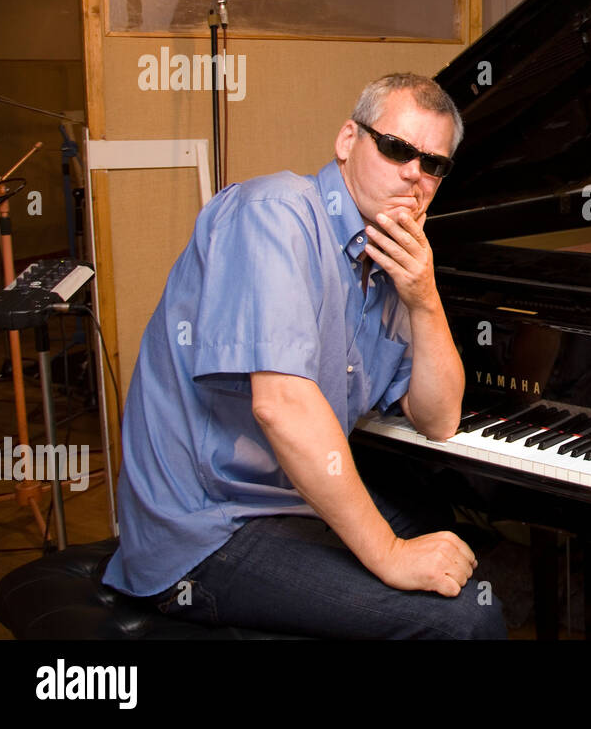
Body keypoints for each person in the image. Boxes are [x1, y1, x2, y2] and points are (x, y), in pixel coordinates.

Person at [103, 72, 506, 639]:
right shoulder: (274, 213)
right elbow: (282, 406)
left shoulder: (390, 261)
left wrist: (425, 297)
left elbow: (438, 419)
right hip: (207, 528)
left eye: (434, 165)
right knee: (465, 618)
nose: (415, 174)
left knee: (459, 539)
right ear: (347, 141)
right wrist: (388, 552)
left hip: (289, 504)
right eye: (396, 149)